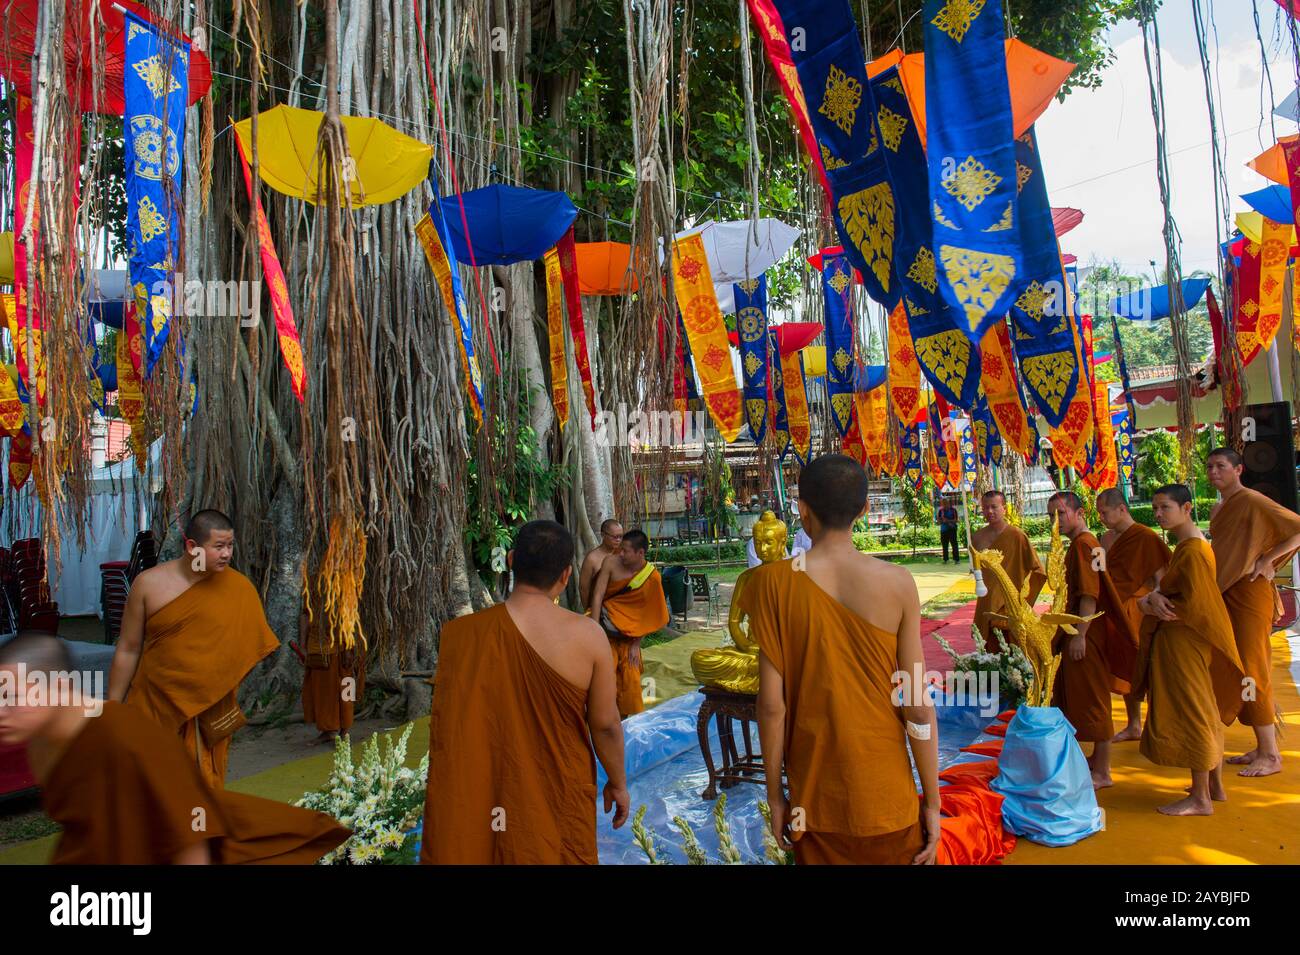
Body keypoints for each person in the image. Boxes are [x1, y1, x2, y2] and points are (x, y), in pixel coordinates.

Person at [742, 454, 941, 865]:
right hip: (886, 799)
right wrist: (933, 803)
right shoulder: (898, 583)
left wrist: (775, 795)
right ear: (865, 510)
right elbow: (918, 708)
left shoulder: (774, 583)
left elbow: (771, 706)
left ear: (801, 509)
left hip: (814, 801)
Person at [0, 632, 349, 864]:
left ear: (58, 687)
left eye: (12, 697)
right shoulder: (41, 745)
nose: (3, 711)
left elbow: (192, 836)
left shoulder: (125, 734)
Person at [420, 521, 629, 864]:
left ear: (512, 560)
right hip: (556, 792)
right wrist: (618, 783)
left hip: (486, 795)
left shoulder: (461, 636)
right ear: (565, 575)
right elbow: (605, 726)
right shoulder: (588, 636)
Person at [109, 509, 279, 789]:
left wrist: (209, 685)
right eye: (219, 546)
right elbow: (128, 648)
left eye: (230, 545)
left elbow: (246, 648)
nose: (227, 554)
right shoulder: (149, 584)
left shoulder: (239, 589)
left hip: (207, 709)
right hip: (155, 703)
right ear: (192, 547)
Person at [1134, 485, 1246, 816]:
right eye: (1154, 507)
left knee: (1193, 710)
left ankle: (1200, 798)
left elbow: (1193, 605)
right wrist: (1152, 598)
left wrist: (1151, 601)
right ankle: (1213, 786)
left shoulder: (1194, 550)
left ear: (1186, 508)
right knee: (1204, 707)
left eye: (1164, 507)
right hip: (1185, 639)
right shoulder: (1188, 546)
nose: (1157, 514)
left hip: (1184, 639)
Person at [1206, 447, 1300, 777]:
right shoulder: (1220, 508)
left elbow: (1297, 528)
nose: (1214, 472)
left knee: (1252, 668)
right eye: (1210, 467)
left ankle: (1271, 755)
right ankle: (1262, 745)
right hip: (1227, 593)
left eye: (1220, 466)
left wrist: (1267, 560)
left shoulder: (1252, 500)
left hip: (1250, 591)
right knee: (1236, 666)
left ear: (1239, 469)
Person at [1046, 492, 1138, 790]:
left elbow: (1089, 594)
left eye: (1060, 514)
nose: (1055, 522)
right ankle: (1097, 760)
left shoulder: (1085, 545)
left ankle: (1103, 770)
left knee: (1094, 699)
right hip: (1084, 628)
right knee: (1086, 693)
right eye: (1051, 517)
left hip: (1086, 632)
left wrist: (1080, 635)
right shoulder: (1086, 543)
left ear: (1079, 513)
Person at [1096, 488, 1172, 743]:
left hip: (1140, 612)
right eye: (1098, 513)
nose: (1101, 518)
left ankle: (1158, 726)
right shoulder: (1105, 540)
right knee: (1126, 669)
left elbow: (1162, 581)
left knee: (1149, 670)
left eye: (1104, 512)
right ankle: (1133, 724)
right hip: (1115, 612)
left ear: (1122, 509)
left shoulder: (1146, 537)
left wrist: (1153, 605)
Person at [589, 529, 670, 718]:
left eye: (625, 550)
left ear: (640, 553)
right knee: (603, 677)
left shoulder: (652, 577)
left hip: (629, 638)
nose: (621, 553)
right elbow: (598, 595)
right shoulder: (610, 562)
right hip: (605, 630)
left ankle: (630, 722)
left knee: (631, 680)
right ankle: (602, 718)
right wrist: (593, 629)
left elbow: (649, 615)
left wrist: (636, 643)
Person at [970, 491, 1045, 653]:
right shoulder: (977, 538)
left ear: (1004, 508)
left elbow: (1038, 571)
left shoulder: (1017, 536)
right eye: (985, 508)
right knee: (990, 649)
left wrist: (1024, 600)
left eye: (994, 507)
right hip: (987, 599)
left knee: (1014, 650)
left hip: (1011, 601)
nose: (989, 511)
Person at [300, 580, 366, 744]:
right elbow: (305, 615)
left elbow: (351, 618)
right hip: (320, 650)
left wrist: (349, 648)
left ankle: (345, 729)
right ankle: (328, 730)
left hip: (344, 649)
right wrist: (303, 645)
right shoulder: (313, 589)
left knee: (347, 688)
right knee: (322, 693)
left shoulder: (347, 586)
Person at [579, 519, 623, 609]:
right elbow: (584, 589)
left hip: (622, 607)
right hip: (601, 609)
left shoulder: (623, 554)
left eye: (620, 536)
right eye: (614, 537)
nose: (618, 540)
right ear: (603, 535)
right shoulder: (592, 558)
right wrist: (588, 610)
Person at [937, 497, 960, 564]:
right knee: (944, 545)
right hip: (943, 530)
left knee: (954, 545)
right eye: (943, 503)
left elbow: (956, 520)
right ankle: (945, 559)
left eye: (945, 502)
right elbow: (938, 521)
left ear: (949, 503)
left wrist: (948, 521)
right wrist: (941, 521)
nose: (944, 504)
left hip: (952, 529)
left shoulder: (953, 510)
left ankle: (956, 559)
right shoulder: (940, 511)